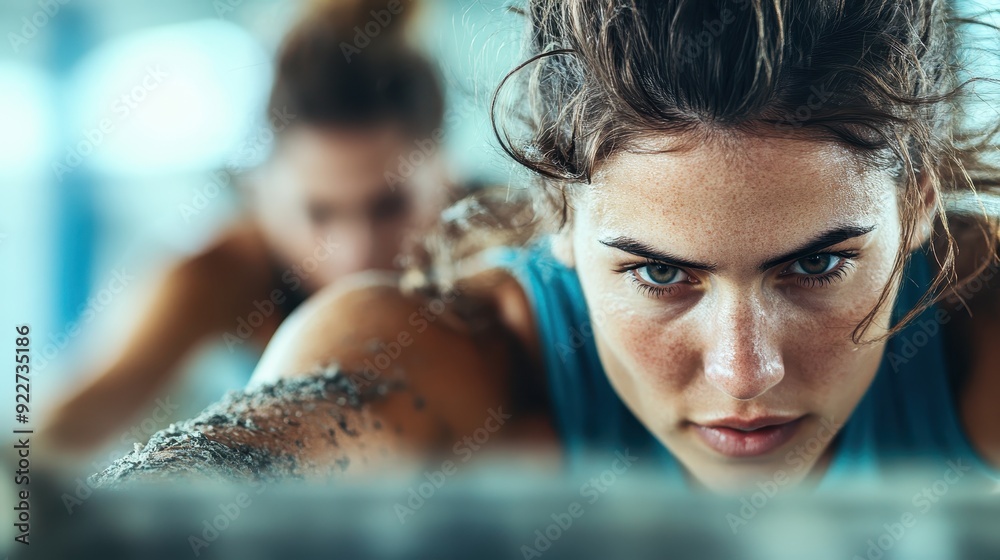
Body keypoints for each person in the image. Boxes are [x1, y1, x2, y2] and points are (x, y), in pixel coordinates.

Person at [96, 0, 999, 493]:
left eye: (816, 264)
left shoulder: (976, 339)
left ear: (918, 199)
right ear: (559, 221)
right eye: (657, 273)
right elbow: (279, 453)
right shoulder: (460, 358)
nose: (742, 372)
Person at [42, 0, 449, 454]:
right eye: (319, 212)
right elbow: (59, 427)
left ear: (446, 175)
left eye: (389, 207)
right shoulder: (216, 275)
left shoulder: (497, 257)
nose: (354, 251)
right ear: (259, 193)